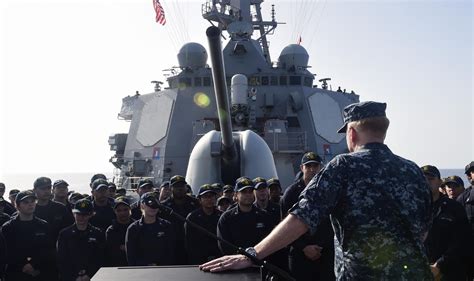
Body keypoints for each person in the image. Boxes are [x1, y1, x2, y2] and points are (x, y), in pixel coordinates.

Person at [201, 101, 433, 280]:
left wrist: (252, 254)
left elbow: (302, 218)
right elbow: (422, 230)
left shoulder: (344, 166)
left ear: (351, 133)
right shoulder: (412, 170)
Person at [422, 165, 471, 280]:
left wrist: (439, 265)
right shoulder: (413, 208)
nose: (426, 182)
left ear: (439, 182)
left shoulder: (454, 208)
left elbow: (462, 240)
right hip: (421, 270)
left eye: (431, 179)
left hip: (450, 271)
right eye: (423, 179)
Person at [1, 190, 57, 281]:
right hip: (15, 274)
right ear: (18, 205)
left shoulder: (43, 225)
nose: (30, 204)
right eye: (26, 202)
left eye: (32, 201)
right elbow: (6, 253)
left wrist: (33, 264)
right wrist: (24, 265)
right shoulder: (8, 227)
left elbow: (49, 249)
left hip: (40, 273)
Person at [57, 198, 105, 281]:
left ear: (91, 214)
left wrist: (90, 275)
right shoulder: (64, 234)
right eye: (78, 214)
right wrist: (74, 277)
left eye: (85, 214)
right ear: (73, 214)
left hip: (93, 277)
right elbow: (62, 259)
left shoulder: (98, 233)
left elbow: (101, 258)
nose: (81, 217)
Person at [125, 192, 177, 266]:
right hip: (141, 271)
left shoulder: (166, 226)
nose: (153, 207)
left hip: (163, 270)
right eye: (149, 203)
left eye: (155, 204)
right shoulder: (133, 229)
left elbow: (170, 252)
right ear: (142, 206)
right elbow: (131, 256)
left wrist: (159, 265)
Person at [159, 175, 200, 264]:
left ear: (186, 187)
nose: (180, 189)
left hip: (193, 245)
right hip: (172, 246)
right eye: (176, 186)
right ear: (171, 188)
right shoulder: (163, 206)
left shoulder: (196, 204)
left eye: (182, 186)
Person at [185, 184, 222, 264]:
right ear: (200, 200)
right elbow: (190, 243)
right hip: (198, 259)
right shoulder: (192, 217)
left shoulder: (222, 216)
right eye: (205, 197)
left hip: (218, 258)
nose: (209, 199)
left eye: (211, 196)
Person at [105, 196, 134, 266]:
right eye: (119, 210)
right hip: (118, 268)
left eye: (125, 209)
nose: (122, 213)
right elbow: (114, 252)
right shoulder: (111, 230)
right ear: (114, 211)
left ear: (130, 209)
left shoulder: (137, 227)